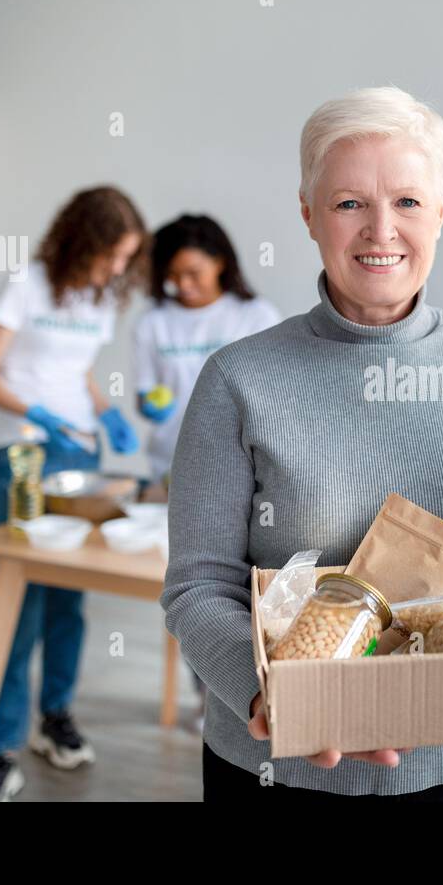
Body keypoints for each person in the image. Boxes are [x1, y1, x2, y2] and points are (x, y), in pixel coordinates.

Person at [163, 86, 443, 800]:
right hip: (281, 767)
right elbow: (199, 587)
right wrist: (267, 696)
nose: (381, 231)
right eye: (350, 203)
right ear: (309, 215)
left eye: (408, 202)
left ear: (440, 213)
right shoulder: (237, 379)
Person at [0, 185, 147, 801]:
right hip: (22, 452)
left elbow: (78, 372)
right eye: (112, 255)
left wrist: (106, 411)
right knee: (24, 597)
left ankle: (56, 718)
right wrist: (36, 414)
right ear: (82, 240)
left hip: (79, 452)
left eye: (126, 259)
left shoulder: (98, 296)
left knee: (69, 593)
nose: (118, 269)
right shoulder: (26, 282)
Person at [134, 214, 280, 732]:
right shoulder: (153, 323)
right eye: (175, 276)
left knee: (231, 584)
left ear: (221, 262)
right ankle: (215, 692)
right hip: (169, 467)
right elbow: (146, 390)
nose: (185, 285)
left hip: (240, 471)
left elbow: (274, 396)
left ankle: (239, 689)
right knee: (192, 584)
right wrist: (148, 406)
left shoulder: (253, 315)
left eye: (194, 272)